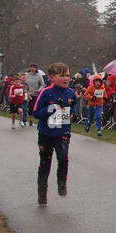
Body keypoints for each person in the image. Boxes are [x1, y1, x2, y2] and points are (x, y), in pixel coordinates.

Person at [31, 62, 76, 204]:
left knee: (63, 158)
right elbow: (35, 112)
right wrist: (49, 109)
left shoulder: (71, 93)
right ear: (51, 77)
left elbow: (74, 108)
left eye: (68, 75)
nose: (66, 78)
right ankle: (42, 192)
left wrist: (73, 115)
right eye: (62, 76)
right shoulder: (45, 92)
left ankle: (62, 183)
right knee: (45, 163)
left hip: (63, 132)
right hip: (46, 134)